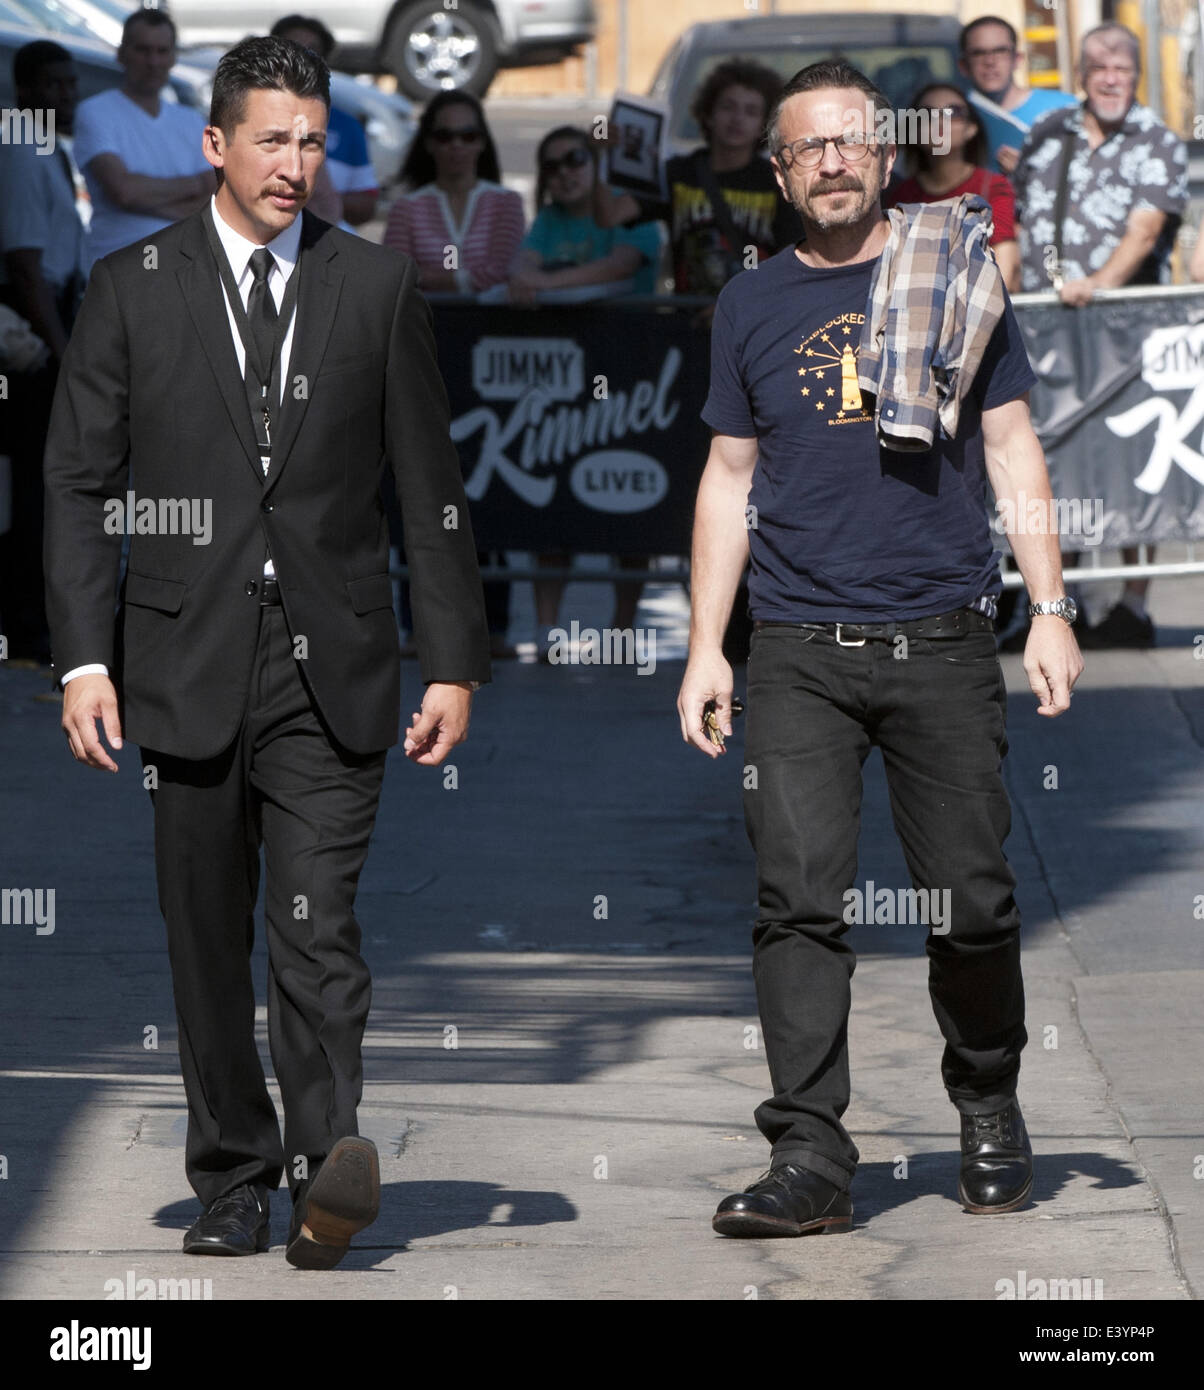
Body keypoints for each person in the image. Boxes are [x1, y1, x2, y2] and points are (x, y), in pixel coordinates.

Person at [43, 36, 490, 1268]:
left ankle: (323, 1164)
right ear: (215, 147)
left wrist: (449, 655)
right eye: (271, 140)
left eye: (311, 139)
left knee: (318, 928)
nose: (295, 164)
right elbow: (79, 482)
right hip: (179, 668)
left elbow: (428, 485)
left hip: (331, 667)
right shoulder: (133, 286)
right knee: (204, 934)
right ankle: (231, 1173)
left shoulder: (374, 285)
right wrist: (83, 658)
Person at [677, 59, 1082, 1238]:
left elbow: (1012, 448)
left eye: (851, 140)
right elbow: (726, 477)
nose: (834, 161)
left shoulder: (954, 267)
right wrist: (708, 647)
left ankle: (988, 1097)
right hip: (797, 646)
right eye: (809, 147)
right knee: (793, 903)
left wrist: (1048, 606)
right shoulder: (750, 303)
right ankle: (808, 1150)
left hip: (943, 635)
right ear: (782, 168)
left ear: (883, 148)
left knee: (971, 903)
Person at [1014, 22, 1189, 649]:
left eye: (1123, 69)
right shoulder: (1047, 135)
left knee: (1136, 460)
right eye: (1100, 69)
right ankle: (1059, 600)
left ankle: (1132, 602)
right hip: (1048, 325)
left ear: (1136, 76)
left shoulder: (1158, 141)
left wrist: (1097, 285)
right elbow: (1023, 214)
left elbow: (1144, 232)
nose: (1112, 79)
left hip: (1128, 327)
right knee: (1055, 454)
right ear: (1081, 77)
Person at [511, 125, 662, 652]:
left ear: (597, 162)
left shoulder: (628, 208)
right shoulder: (548, 220)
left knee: (632, 505)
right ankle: (548, 627)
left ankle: (622, 627)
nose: (565, 171)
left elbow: (622, 264)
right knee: (555, 505)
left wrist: (547, 283)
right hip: (564, 384)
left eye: (576, 157)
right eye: (551, 165)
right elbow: (521, 266)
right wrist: (533, 277)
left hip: (630, 376)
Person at [384, 90, 524, 656]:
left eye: (468, 134)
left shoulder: (507, 202)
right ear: (429, 143)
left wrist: (442, 279)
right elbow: (396, 276)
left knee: (489, 495)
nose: (458, 146)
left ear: (482, 141)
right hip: (425, 363)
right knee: (419, 492)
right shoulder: (408, 205)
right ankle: (419, 629)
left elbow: (505, 268)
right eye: (445, 135)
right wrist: (473, 281)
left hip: (491, 371)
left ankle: (493, 627)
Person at [0, 40, 85, 666]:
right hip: (32, 330)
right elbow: (26, 265)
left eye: (69, 84)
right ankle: (25, 623)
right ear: (24, 90)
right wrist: (61, 351)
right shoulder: (22, 150)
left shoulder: (43, 147)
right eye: (49, 86)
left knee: (40, 483)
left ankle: (30, 619)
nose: (63, 96)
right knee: (36, 484)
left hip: (51, 314)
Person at [71, 8, 215, 270]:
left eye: (162, 51)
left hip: (186, 270)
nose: (153, 61)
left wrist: (144, 195)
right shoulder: (96, 112)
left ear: (173, 57)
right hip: (118, 268)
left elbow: (215, 199)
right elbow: (123, 191)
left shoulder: (192, 122)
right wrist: (194, 185)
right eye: (143, 50)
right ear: (121, 54)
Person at [885, 82, 1019, 292]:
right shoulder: (903, 196)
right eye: (926, 114)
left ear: (971, 129)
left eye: (953, 112)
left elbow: (1005, 274)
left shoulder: (994, 187)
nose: (940, 120)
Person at [270, 13, 378, 229]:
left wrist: (319, 198)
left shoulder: (347, 126)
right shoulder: (247, 115)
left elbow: (367, 203)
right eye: (292, 48)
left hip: (329, 242)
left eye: (311, 51)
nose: (301, 58)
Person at [958, 15, 1077, 176]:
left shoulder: (1064, 107)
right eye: (978, 53)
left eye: (1000, 51)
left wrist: (1031, 172)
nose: (990, 61)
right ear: (963, 65)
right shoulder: (955, 120)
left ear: (1017, 59)